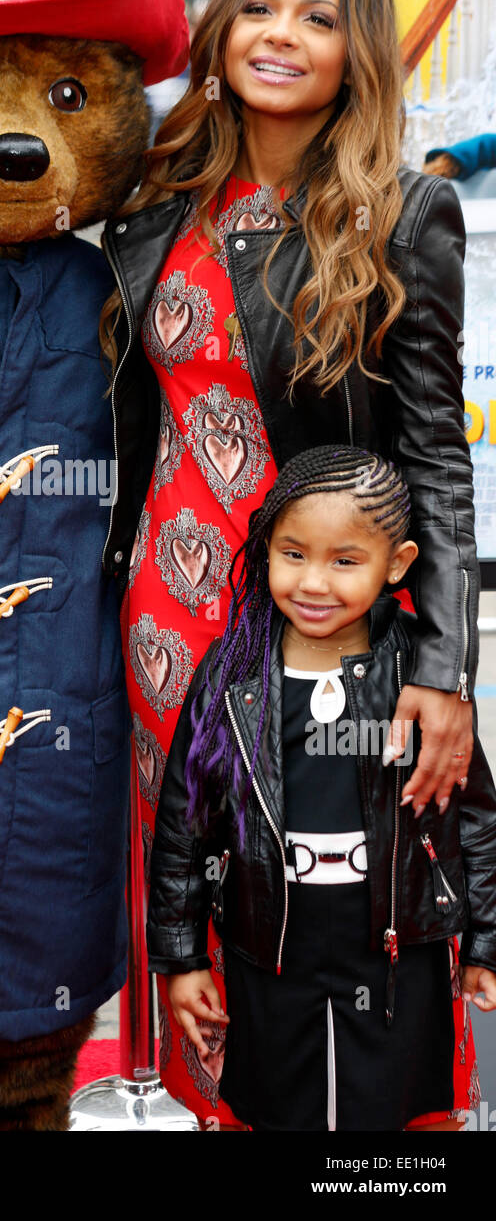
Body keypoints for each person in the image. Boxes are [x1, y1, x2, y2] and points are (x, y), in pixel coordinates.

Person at [97, 0, 479, 1125]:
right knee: (180, 878)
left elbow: (434, 455)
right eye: (263, 6)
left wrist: (445, 664)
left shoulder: (404, 217)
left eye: (320, 17)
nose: (283, 34)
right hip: (161, 606)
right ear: (223, 28)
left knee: (308, 897)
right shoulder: (158, 200)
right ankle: (190, 1106)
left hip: (311, 617)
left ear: (355, 53)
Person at [145, 446, 496, 1132]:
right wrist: (182, 959)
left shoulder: (416, 677)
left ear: (395, 565)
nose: (313, 582)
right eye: (293, 554)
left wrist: (485, 942)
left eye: (344, 561)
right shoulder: (233, 670)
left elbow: (475, 815)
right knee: (278, 1103)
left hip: (394, 950)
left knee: (389, 1108)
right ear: (266, 548)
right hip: (274, 950)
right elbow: (183, 829)